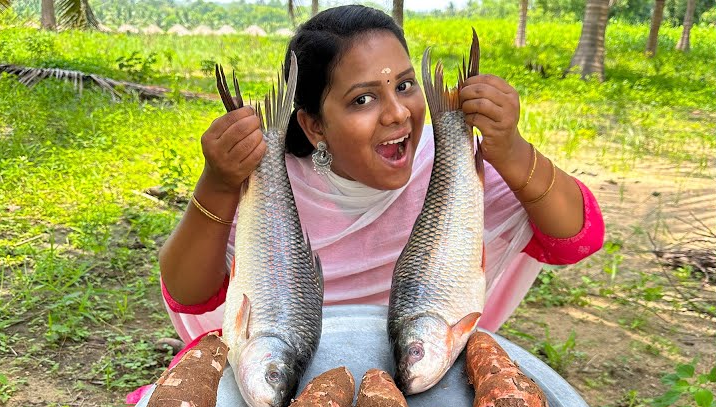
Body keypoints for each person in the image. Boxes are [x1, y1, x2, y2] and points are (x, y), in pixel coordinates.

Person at [157, 4, 604, 347]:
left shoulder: (446, 162)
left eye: (405, 86)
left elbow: (576, 236)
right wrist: (216, 185)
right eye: (362, 100)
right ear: (313, 125)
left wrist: (510, 149)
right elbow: (189, 294)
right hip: (290, 365)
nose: (397, 114)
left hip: (422, 356)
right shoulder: (273, 188)